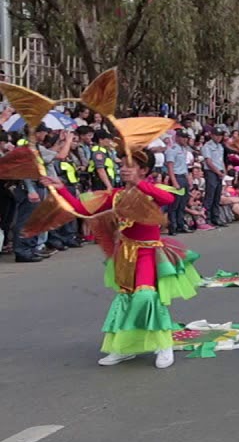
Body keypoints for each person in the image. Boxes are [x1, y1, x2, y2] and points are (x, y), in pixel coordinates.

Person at [42, 149, 202, 368]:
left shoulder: (152, 192)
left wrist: (138, 182)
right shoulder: (116, 195)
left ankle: (163, 344)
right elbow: (82, 209)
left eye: (130, 165)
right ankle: (124, 347)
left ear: (144, 170)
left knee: (146, 297)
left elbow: (169, 198)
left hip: (149, 252)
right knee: (125, 300)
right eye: (122, 165)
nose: (124, 169)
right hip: (125, 254)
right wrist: (60, 189)